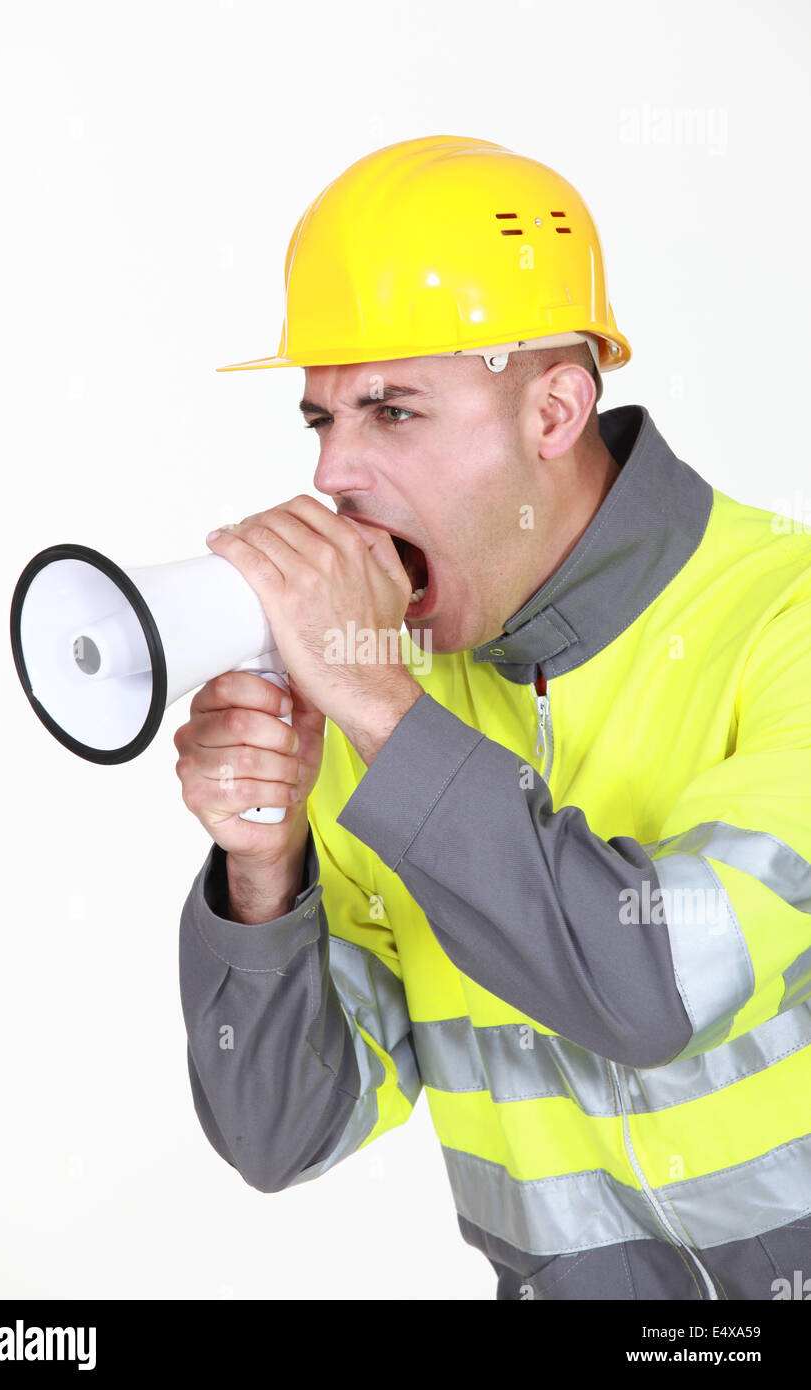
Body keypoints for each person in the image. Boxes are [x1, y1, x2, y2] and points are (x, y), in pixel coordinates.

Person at [175, 135, 811, 1300]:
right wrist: (261, 873)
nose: (336, 475)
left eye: (392, 410)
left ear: (554, 408)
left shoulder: (785, 619)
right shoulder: (382, 709)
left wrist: (373, 703)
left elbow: (654, 987)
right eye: (321, 419)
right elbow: (279, 1130)